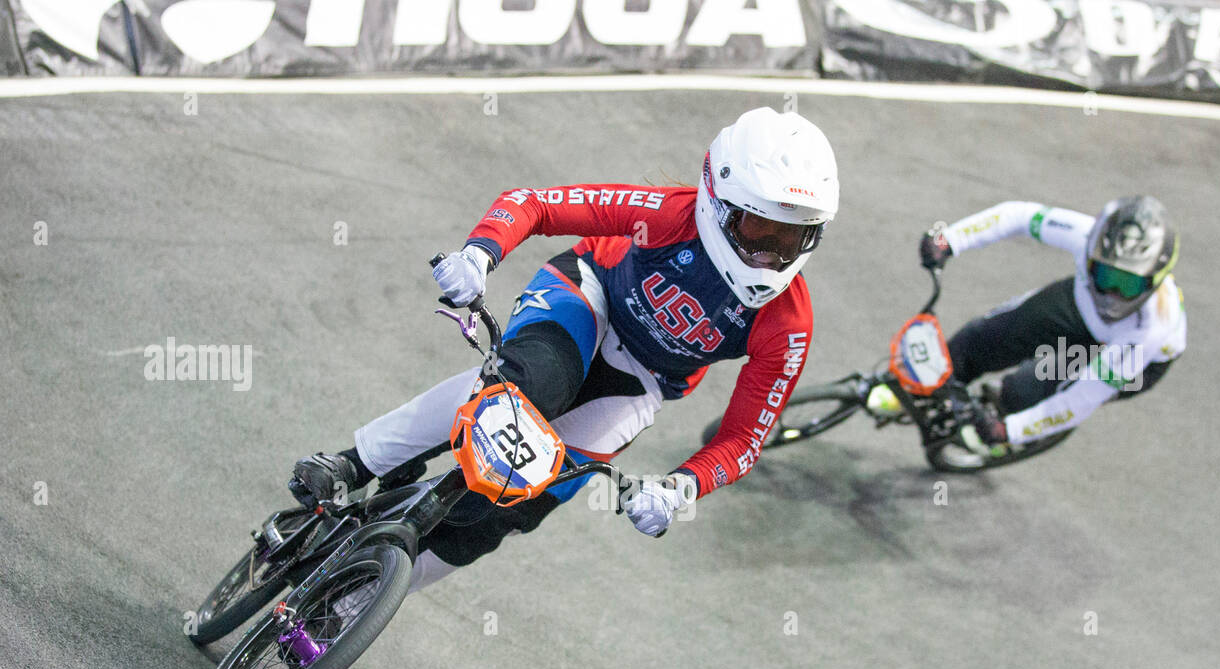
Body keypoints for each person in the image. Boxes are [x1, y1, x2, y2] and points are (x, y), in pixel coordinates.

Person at [289, 107, 839, 592]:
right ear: (717, 203)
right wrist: (479, 255)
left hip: (643, 381)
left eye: (790, 238)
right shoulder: (669, 215)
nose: (770, 254)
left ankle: (355, 601)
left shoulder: (788, 324)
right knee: (524, 390)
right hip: (589, 296)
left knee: (508, 512)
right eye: (760, 227)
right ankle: (352, 464)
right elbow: (536, 205)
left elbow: (744, 439)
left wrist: (681, 487)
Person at [911, 196, 1185, 447]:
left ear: (1155, 280)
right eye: (1106, 276)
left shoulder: (1153, 327)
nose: (1113, 294)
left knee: (1023, 392)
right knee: (983, 339)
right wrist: (950, 240)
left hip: (1136, 355)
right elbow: (1018, 216)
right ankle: (918, 388)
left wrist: (1009, 431)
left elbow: (1083, 397)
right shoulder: (1086, 236)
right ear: (1091, 256)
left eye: (1128, 284)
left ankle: (1008, 425)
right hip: (1081, 306)